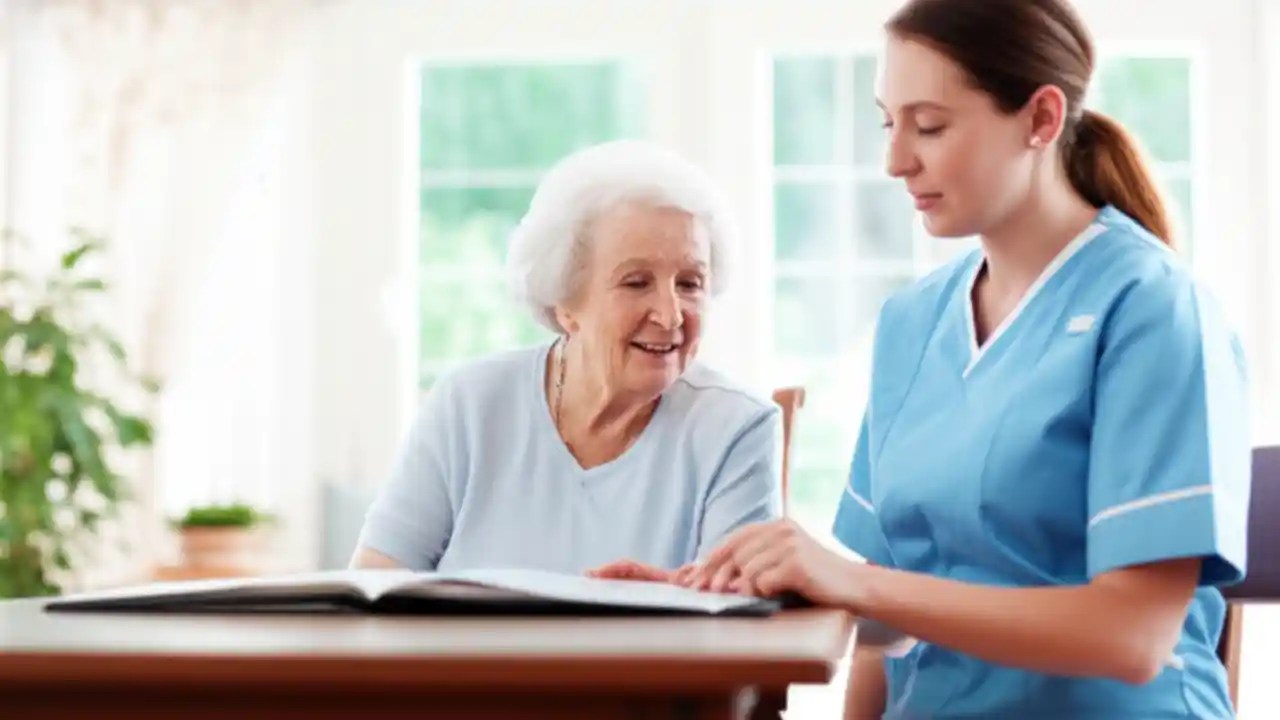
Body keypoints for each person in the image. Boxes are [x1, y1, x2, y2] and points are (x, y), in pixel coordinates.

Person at [676, 1, 1251, 717]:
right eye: (888, 124)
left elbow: (1132, 637)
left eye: (929, 126)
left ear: (1042, 119)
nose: (895, 161)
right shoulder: (911, 323)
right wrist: (714, 594)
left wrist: (855, 584)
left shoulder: (1152, 310)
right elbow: (887, 627)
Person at [350, 140, 782, 577]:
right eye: (636, 282)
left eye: (689, 283)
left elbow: (729, 607)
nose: (670, 315)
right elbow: (377, 577)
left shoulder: (736, 428)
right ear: (565, 304)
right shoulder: (467, 405)